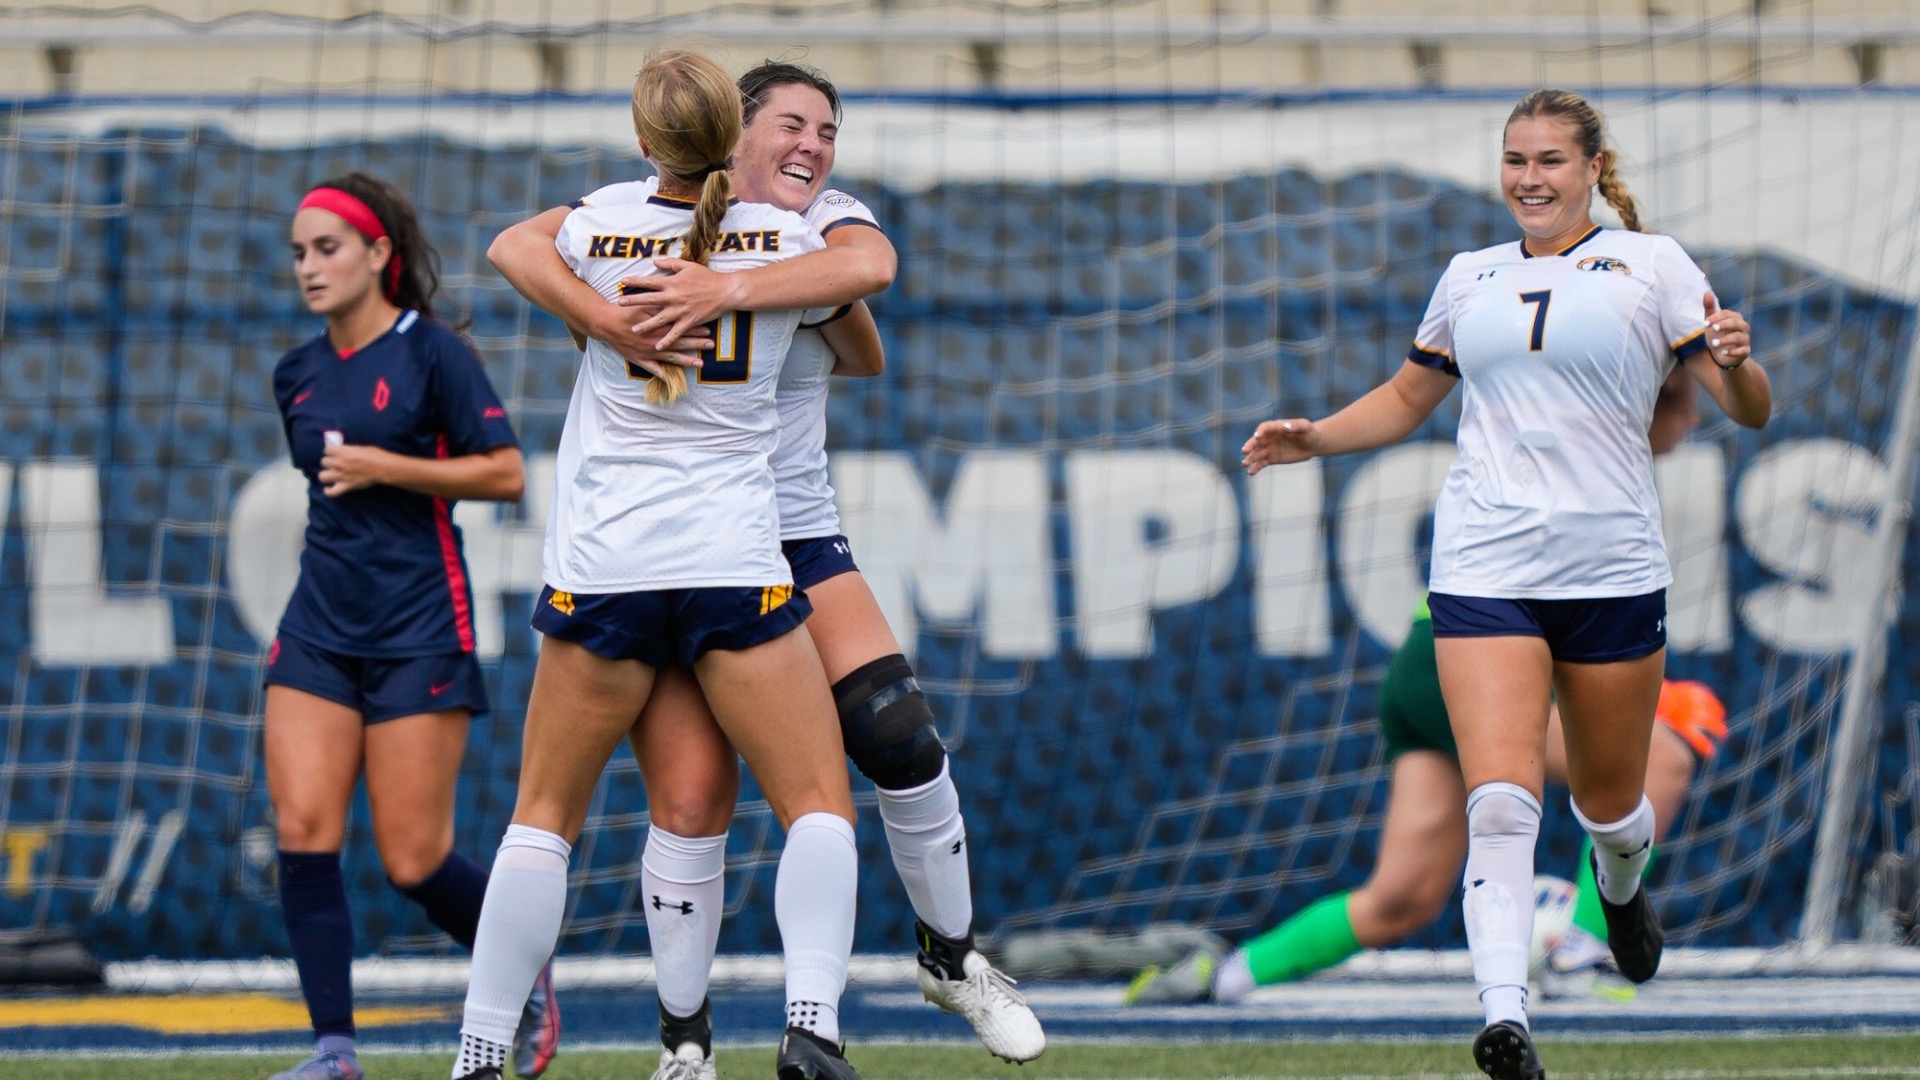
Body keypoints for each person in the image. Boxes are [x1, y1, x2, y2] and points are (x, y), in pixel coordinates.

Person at [486, 61, 1046, 1078]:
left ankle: (953, 956)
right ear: (732, 131)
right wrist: (608, 314)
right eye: (793, 124)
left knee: (898, 733)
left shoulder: (814, 223)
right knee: (691, 801)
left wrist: (733, 285)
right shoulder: (634, 219)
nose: (814, 146)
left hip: (785, 528)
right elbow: (520, 248)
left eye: (828, 130)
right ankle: (686, 1042)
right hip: (684, 540)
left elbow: (868, 304)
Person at [1239, 88, 1771, 1080]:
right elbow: (1409, 395)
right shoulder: (1468, 275)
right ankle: (1504, 1017)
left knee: (1612, 810)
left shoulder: (1654, 265)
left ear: (1591, 169)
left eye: (1550, 160)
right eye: (1515, 159)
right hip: (1483, 565)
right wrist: (1316, 438)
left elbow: (1748, 408)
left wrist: (1738, 365)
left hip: (1610, 570)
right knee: (1501, 803)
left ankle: (1621, 890)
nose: (1530, 178)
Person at [451, 50, 868, 1080]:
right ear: (735, 135)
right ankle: (810, 1024)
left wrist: (597, 314)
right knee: (818, 805)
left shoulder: (595, 225)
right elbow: (869, 288)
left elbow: (508, 245)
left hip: (606, 569)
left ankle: (479, 1052)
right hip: (732, 562)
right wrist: (738, 282)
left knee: (541, 823)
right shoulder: (791, 240)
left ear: (644, 141)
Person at [267, 172, 553, 1080]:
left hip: (421, 627)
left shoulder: (434, 355)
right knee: (303, 829)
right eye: (299, 253)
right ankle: (335, 1053)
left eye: (328, 248)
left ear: (379, 253)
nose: (309, 267)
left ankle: (523, 973)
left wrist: (388, 466)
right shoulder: (297, 373)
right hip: (317, 629)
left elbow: (505, 473)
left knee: (414, 859)